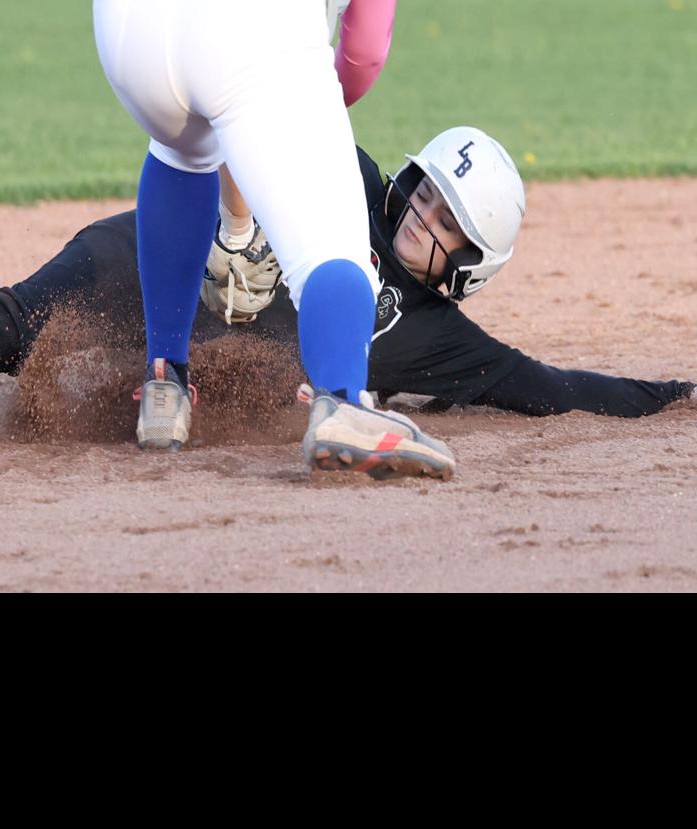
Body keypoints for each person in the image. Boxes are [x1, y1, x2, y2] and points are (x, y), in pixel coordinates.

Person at [0, 129, 697, 444]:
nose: (419, 218)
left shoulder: (447, 344)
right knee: (8, 327)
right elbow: (247, 129)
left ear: (467, 265)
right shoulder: (344, 177)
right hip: (160, 258)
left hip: (186, 360)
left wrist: (679, 392)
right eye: (424, 196)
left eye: (444, 225)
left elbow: (556, 385)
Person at [89, 0, 452, 479]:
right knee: (333, 249)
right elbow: (362, 57)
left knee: (184, 149)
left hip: (127, 37)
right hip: (247, 30)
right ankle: (344, 401)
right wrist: (282, 118)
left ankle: (165, 382)